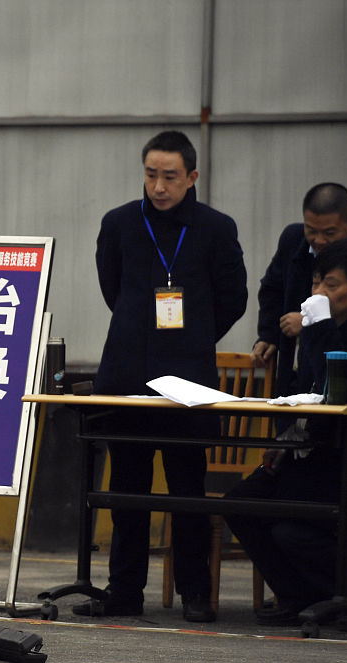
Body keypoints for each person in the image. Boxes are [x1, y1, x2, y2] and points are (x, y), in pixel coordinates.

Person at [76, 130, 248, 623]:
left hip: (189, 378)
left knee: (186, 491)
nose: (158, 186)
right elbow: (113, 287)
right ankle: (124, 592)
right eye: (151, 175)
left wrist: (189, 338)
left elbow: (231, 298)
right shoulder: (120, 223)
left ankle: (197, 592)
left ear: (191, 177)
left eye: (170, 176)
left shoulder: (216, 228)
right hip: (126, 373)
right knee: (126, 490)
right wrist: (140, 329)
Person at [225, 240, 347, 632]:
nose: (319, 294)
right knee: (240, 503)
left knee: (294, 528)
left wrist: (317, 328)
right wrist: (283, 443)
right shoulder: (325, 327)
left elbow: (343, 390)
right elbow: (303, 392)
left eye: (332, 286)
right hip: (313, 458)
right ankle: (299, 596)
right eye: (316, 282)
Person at [252, 182, 347, 396]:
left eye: (329, 232)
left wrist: (312, 323)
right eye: (311, 230)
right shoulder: (293, 239)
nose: (318, 240)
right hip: (299, 367)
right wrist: (268, 334)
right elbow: (272, 288)